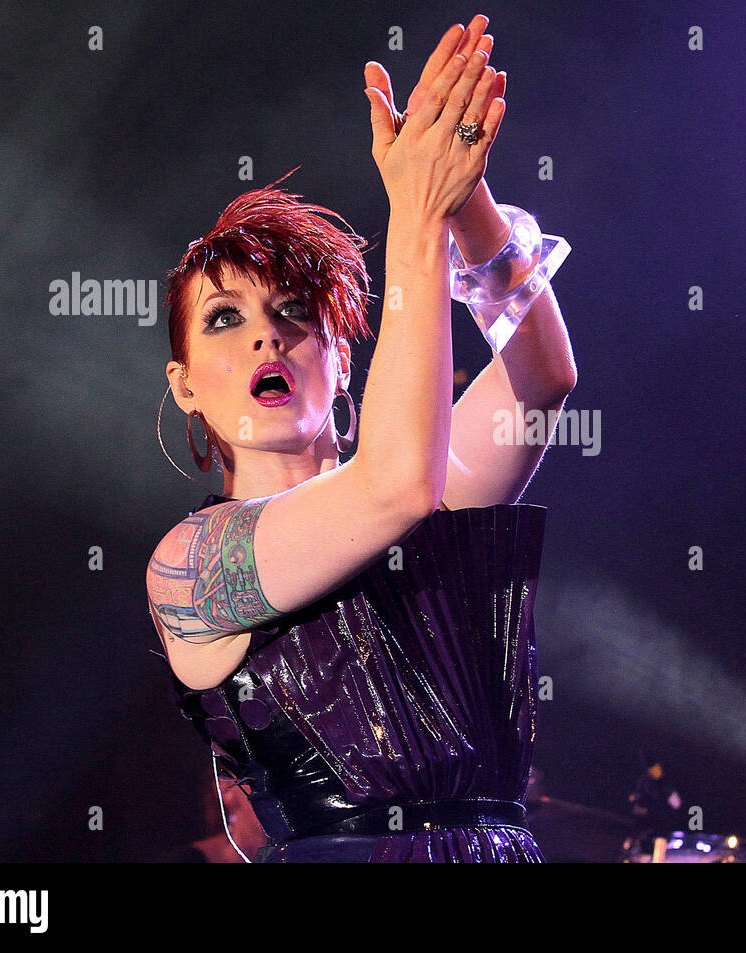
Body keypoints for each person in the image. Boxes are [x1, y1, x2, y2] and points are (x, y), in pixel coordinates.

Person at [145, 15, 576, 862]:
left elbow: (544, 373)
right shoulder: (189, 567)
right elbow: (391, 485)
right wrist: (415, 210)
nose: (268, 338)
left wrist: (463, 198)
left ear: (344, 362)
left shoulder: (417, 486)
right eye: (225, 319)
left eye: (295, 312)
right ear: (185, 385)